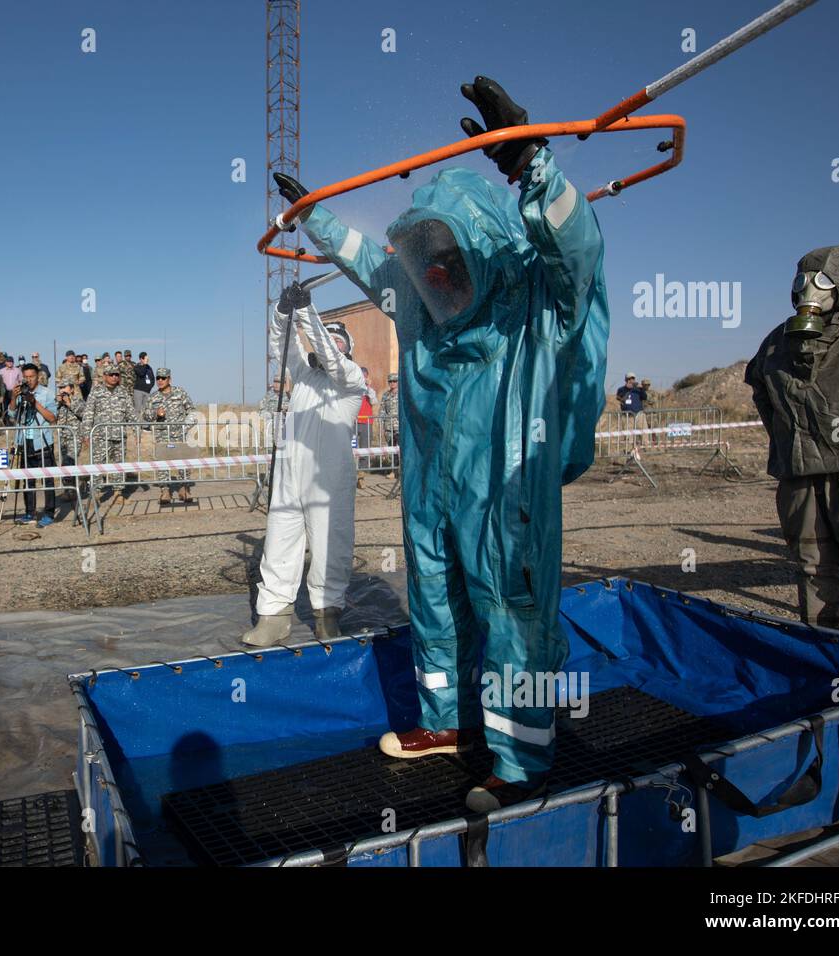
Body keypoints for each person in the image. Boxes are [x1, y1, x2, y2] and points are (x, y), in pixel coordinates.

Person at [273, 76, 610, 812]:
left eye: (449, 255)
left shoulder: (534, 295)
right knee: (435, 594)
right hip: (433, 484)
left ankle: (523, 759)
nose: (437, 274)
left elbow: (579, 244)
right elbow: (369, 259)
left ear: (483, 247)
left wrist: (529, 162)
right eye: (425, 256)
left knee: (511, 605)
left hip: (506, 483)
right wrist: (317, 218)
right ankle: (448, 721)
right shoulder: (419, 299)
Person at [745, 245, 839, 640]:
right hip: (800, 475)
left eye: (824, 280)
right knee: (811, 569)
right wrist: (787, 440)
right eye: (804, 280)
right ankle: (825, 664)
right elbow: (762, 394)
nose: (811, 289)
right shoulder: (776, 342)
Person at [243, 282, 367, 648]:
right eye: (327, 338)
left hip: (327, 479)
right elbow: (282, 345)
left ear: (347, 351)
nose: (329, 344)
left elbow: (328, 353)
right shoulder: (303, 377)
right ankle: (273, 618)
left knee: (331, 546)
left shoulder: (351, 382)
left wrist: (309, 313)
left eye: (338, 340)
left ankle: (327, 618)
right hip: (289, 476)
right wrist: (283, 312)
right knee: (279, 543)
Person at [8, 363, 59, 527]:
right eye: (26, 377)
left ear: (38, 376)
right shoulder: (20, 391)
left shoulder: (47, 393)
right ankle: (30, 513)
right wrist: (13, 398)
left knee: (47, 480)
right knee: (27, 480)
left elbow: (52, 418)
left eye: (32, 376)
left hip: (42, 441)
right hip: (24, 441)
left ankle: (49, 514)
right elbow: (11, 415)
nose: (29, 380)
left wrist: (35, 403)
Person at [142, 367, 196, 505]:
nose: (160, 380)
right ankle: (165, 491)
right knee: (162, 462)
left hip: (179, 434)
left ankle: (184, 489)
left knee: (182, 462)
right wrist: (155, 413)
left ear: (169, 379)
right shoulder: (153, 397)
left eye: (163, 378)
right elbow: (145, 416)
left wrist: (186, 427)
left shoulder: (180, 393)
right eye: (158, 378)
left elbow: (192, 411)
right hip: (162, 435)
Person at [85, 363, 136, 500]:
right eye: (111, 375)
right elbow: (89, 413)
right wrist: (86, 432)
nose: (114, 377)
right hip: (100, 436)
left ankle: (118, 492)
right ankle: (95, 491)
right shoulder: (96, 391)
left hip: (119, 435)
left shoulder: (123, 392)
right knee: (97, 464)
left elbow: (130, 412)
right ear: (104, 376)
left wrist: (136, 430)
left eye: (116, 375)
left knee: (119, 464)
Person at [616, 373, 648, 448]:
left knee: (644, 432)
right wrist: (627, 389)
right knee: (628, 435)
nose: (631, 380)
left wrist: (641, 389)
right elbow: (619, 397)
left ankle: (645, 449)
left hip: (639, 415)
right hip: (627, 416)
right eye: (629, 379)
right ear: (626, 380)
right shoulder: (621, 389)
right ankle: (630, 450)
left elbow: (645, 397)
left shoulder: (638, 389)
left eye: (633, 379)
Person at [380, 372, 400, 477]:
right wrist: (382, 423)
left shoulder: (403, 394)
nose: (392, 383)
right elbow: (382, 410)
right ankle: (393, 470)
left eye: (394, 381)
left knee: (402, 449)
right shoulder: (385, 395)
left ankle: (402, 471)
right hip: (389, 427)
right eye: (390, 381)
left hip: (400, 426)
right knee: (391, 449)